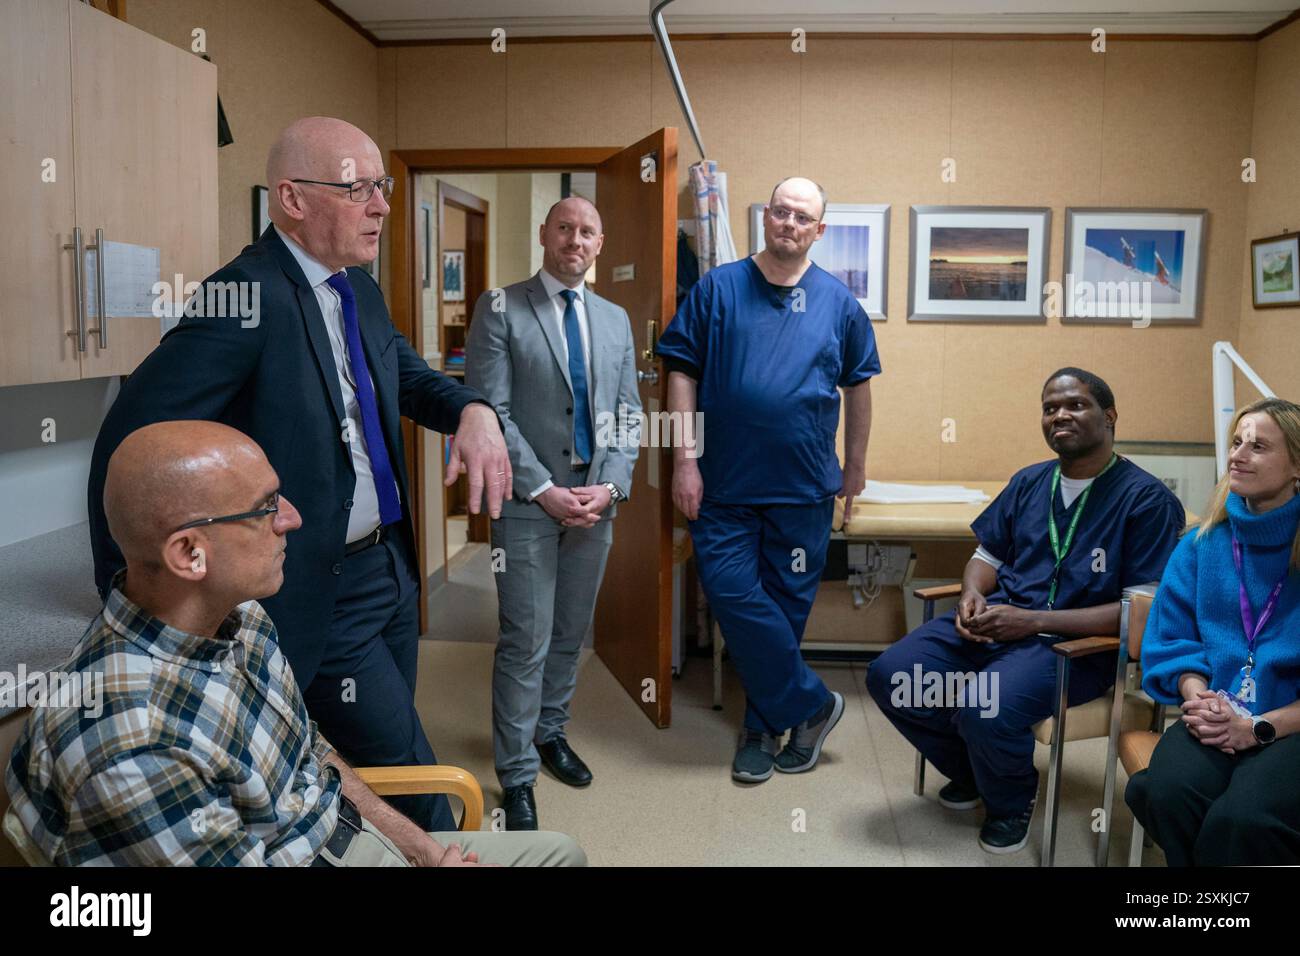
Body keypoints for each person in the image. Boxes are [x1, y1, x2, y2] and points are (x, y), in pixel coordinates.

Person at [84, 118, 510, 834]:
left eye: (383, 187)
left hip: (390, 571)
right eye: (358, 189)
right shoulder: (246, 295)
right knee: (410, 769)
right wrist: (129, 590)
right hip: (321, 584)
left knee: (377, 750)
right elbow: (132, 444)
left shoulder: (358, 290)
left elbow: (404, 376)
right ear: (292, 199)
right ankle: (445, 847)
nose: (380, 206)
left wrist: (471, 408)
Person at [5, 422, 581, 867]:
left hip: (346, 837)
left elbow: (314, 756)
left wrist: (419, 847)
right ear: (188, 553)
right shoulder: (131, 748)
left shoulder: (242, 619)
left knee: (559, 852)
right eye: (265, 507)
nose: (293, 519)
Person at [866, 368, 1185, 854]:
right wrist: (972, 595)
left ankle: (1011, 800)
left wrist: (1033, 621)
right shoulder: (1030, 482)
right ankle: (975, 771)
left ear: (1110, 415)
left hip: (1075, 650)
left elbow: (1137, 612)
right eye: (1050, 407)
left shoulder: (1146, 500)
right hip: (998, 625)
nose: (1060, 415)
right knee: (892, 675)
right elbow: (986, 557)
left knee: (983, 706)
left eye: (1076, 405)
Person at [655, 177, 880, 783]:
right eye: (780, 211)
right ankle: (813, 704)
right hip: (723, 486)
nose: (789, 223)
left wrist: (854, 469)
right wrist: (684, 460)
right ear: (765, 217)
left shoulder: (839, 304)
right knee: (730, 593)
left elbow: (858, 390)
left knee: (784, 614)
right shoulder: (719, 288)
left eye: (802, 217)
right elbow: (681, 372)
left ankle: (762, 728)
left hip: (804, 489)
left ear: (819, 230)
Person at [464, 197, 641, 830]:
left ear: (600, 244)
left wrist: (611, 488)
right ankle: (516, 776)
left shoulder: (616, 319)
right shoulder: (502, 306)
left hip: (595, 504)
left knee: (570, 633)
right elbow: (490, 411)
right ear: (544, 234)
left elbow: (628, 416)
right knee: (525, 639)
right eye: (564, 227)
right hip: (526, 506)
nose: (575, 239)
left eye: (587, 230)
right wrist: (542, 489)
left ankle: (550, 732)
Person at [1126, 398, 1300, 866]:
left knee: (1242, 821)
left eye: (1258, 446)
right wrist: (1200, 696)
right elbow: (1173, 641)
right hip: (1220, 709)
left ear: (1296, 466)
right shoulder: (1201, 544)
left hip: (1292, 722)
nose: (1238, 455)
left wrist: (1257, 729)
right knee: (1164, 793)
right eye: (1237, 442)